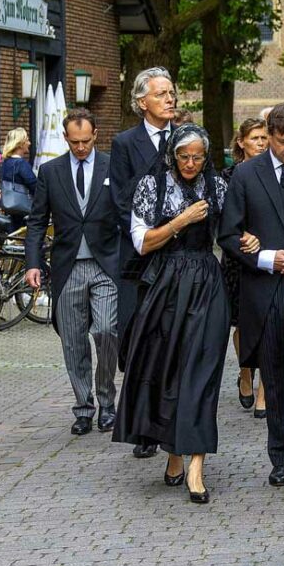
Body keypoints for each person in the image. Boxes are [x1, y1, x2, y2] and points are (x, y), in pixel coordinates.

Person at [113, 124, 230, 504]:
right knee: (171, 371)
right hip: (166, 283)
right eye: (184, 156)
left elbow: (231, 231)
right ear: (173, 156)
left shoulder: (217, 186)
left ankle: (196, 464)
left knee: (203, 371)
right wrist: (181, 220)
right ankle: (175, 452)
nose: (191, 163)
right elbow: (143, 243)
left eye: (198, 156)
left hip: (207, 283)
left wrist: (249, 238)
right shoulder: (153, 185)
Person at [221, 103, 284, 492]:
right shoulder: (246, 175)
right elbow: (228, 235)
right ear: (270, 136)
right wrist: (265, 257)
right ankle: (280, 457)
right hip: (265, 289)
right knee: (274, 376)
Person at [23, 109, 121, 436]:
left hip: (105, 264)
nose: (80, 147)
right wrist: (33, 263)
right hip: (67, 267)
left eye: (86, 141)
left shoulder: (112, 166)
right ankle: (83, 407)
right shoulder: (50, 172)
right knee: (73, 340)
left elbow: (126, 213)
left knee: (106, 331)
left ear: (96, 135)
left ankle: (107, 402)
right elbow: (37, 221)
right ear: (65, 138)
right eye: (74, 141)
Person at [110, 67, 177, 460]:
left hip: (180, 258)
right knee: (138, 343)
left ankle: (169, 423)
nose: (170, 99)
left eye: (171, 93)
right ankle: (142, 426)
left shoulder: (186, 139)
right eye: (161, 94)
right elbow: (121, 200)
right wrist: (147, 236)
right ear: (141, 102)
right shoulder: (124, 143)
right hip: (140, 259)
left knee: (171, 342)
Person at [221, 118, 268, 415]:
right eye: (255, 138)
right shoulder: (228, 176)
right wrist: (241, 237)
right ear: (241, 142)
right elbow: (224, 217)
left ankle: (265, 389)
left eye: (264, 138)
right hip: (237, 256)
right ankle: (246, 372)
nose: (261, 143)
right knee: (241, 323)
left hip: (267, 252)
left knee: (267, 321)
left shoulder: (273, 172)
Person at [0, 128, 37, 231]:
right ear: (20, 144)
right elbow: (34, 185)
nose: (29, 143)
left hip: (9, 206)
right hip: (23, 209)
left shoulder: (6, 162)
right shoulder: (21, 164)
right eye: (27, 140)